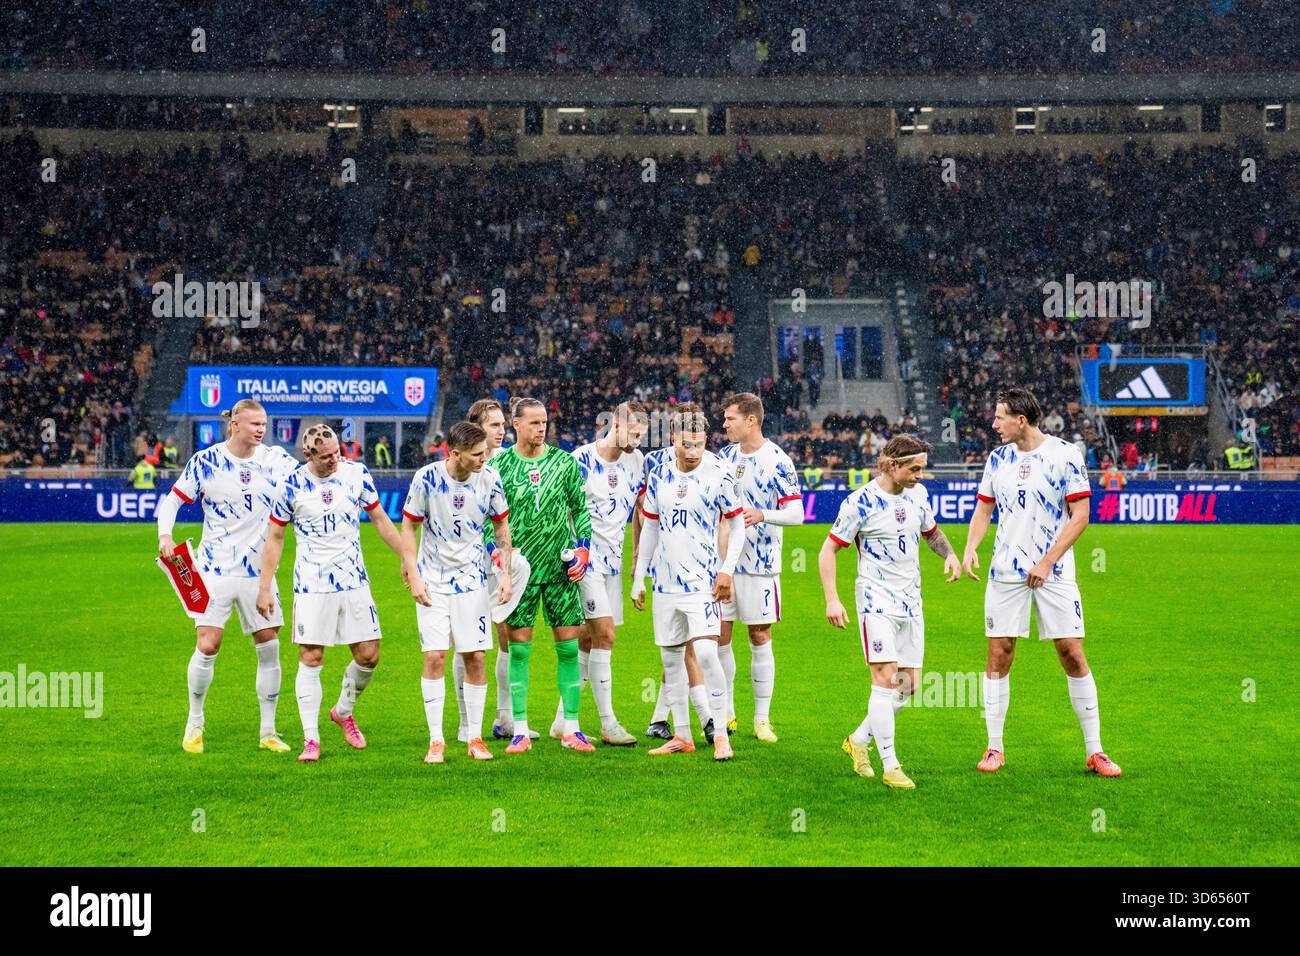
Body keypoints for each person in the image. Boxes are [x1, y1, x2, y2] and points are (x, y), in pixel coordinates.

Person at [961, 387, 1121, 778]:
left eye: (999, 417)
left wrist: (1048, 561)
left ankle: (1095, 751)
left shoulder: (1065, 454)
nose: (994, 424)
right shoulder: (997, 458)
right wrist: (970, 548)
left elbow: (1081, 514)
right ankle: (994, 748)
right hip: (1005, 572)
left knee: (1071, 652)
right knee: (999, 653)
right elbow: (984, 510)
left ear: (1021, 419)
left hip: (1055, 572)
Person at [257, 423, 413, 762]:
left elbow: (382, 520)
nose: (334, 461)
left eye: (337, 453)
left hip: (354, 581)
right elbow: (275, 538)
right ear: (308, 454)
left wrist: (407, 558)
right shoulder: (291, 485)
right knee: (311, 658)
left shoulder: (355, 474)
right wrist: (265, 585)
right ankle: (310, 740)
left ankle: (343, 711)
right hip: (312, 586)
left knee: (369, 655)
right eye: (326, 457)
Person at [156, 398, 300, 754]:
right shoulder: (206, 462)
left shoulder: (277, 460)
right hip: (213, 568)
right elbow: (172, 501)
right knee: (208, 644)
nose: (261, 429)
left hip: (259, 574)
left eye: (264, 424)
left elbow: (309, 479)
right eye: (254, 424)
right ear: (234, 424)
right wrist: (165, 535)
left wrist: (335, 464)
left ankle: (268, 731)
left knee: (269, 646)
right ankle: (194, 724)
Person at [820, 434, 962, 789]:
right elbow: (827, 552)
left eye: (922, 469)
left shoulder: (919, 495)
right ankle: (890, 765)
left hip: (911, 601)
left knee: (907, 685)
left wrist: (950, 555)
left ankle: (858, 740)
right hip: (875, 599)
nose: (919, 475)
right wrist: (831, 599)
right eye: (914, 469)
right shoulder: (860, 502)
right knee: (884, 681)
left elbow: (931, 533)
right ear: (892, 465)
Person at [631, 407, 745, 761]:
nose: (693, 451)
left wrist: (727, 569)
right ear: (672, 440)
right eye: (686, 444)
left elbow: (737, 524)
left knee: (708, 654)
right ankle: (681, 735)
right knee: (671, 658)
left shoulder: (720, 473)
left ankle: (721, 735)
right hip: (665, 583)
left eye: (699, 444)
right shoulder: (660, 472)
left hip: (704, 581)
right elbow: (650, 525)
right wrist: (639, 577)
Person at [401, 421, 512, 764]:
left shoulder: (490, 478)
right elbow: (408, 524)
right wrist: (413, 573)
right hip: (433, 582)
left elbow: (501, 525)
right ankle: (436, 741)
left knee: (475, 657)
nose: (484, 459)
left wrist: (505, 572)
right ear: (455, 454)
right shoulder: (427, 478)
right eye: (477, 455)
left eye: (485, 453)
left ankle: (475, 738)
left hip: (473, 582)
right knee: (434, 656)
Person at [491, 398, 596, 754]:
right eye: (534, 422)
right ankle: (519, 729)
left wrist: (582, 548)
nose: (541, 428)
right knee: (519, 651)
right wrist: (498, 556)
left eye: (544, 422)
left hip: (559, 569)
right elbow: (490, 518)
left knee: (568, 647)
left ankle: (571, 728)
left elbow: (580, 509)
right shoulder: (499, 464)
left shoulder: (564, 463)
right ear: (515, 424)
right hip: (519, 572)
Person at [547, 401, 647, 745]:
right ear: (614, 427)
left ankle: (562, 720)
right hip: (583, 562)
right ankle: (608, 724)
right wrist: (567, 555)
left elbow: (641, 511)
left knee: (590, 639)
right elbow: (558, 509)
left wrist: (637, 560)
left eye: (641, 435)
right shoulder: (579, 460)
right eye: (632, 434)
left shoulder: (637, 461)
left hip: (614, 565)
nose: (636, 441)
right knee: (605, 635)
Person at [716, 392, 803, 742]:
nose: (724, 424)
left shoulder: (778, 460)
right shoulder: (723, 457)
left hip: (761, 564)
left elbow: (797, 514)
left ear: (751, 420)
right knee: (719, 636)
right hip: (724, 564)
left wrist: (764, 514)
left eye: (730, 418)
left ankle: (762, 719)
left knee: (758, 635)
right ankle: (727, 712)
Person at [461, 398, 534, 742]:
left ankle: (505, 718)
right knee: (467, 643)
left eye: (504, 423)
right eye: (494, 425)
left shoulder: (507, 463)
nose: (502, 430)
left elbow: (506, 517)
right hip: (466, 566)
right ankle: (465, 723)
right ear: (476, 427)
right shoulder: (464, 467)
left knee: (506, 638)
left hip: (502, 563)